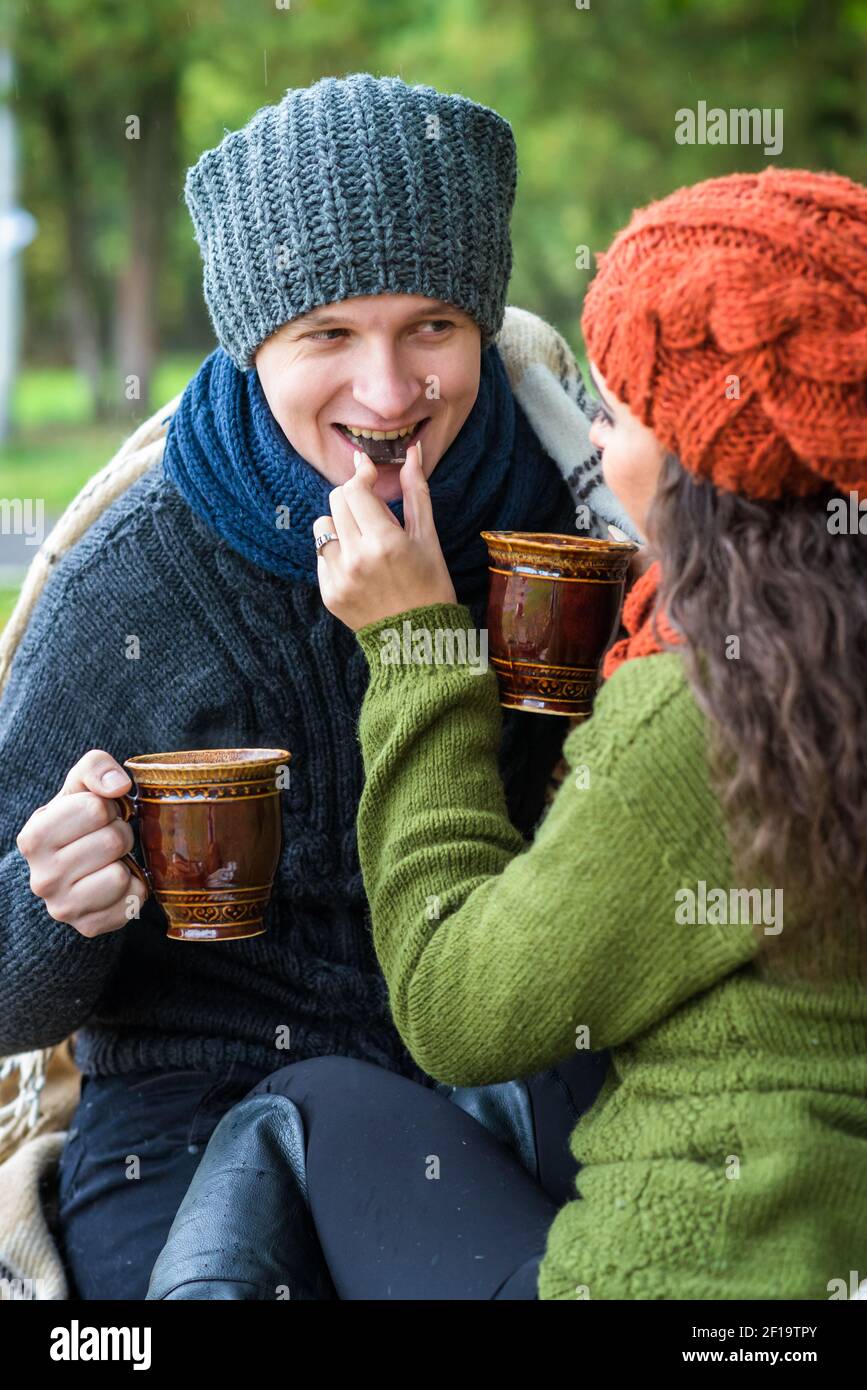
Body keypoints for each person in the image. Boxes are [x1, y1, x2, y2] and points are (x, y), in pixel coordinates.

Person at [147, 166, 867, 1301]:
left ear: (704, 468)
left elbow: (454, 1004)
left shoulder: (708, 714)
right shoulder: (804, 659)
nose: (588, 431)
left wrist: (418, 645)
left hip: (701, 1272)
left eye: (616, 413)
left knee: (304, 1111)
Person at [0, 74, 629, 1300]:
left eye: (432, 328)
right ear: (251, 343)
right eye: (328, 336)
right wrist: (51, 907)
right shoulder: (138, 584)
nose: (388, 395)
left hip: (500, 1074)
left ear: (483, 321)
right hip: (189, 1108)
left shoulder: (570, 526)